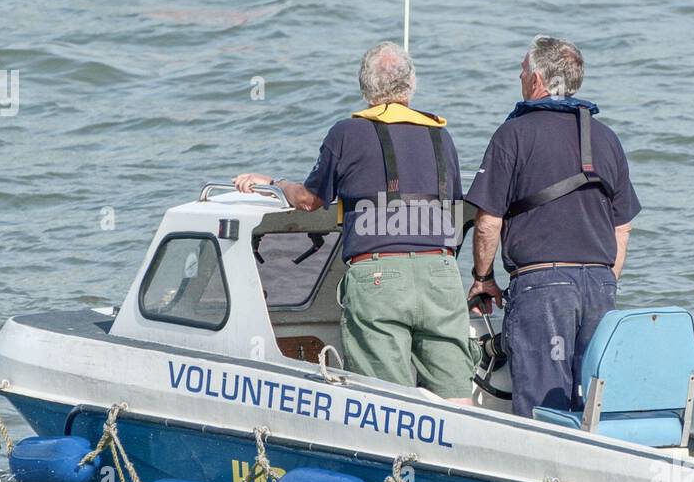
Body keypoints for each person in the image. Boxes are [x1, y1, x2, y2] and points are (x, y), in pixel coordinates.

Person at [234, 41, 474, 404]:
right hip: (441, 272)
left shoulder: (347, 133)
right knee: (457, 396)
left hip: (379, 277)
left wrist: (275, 183)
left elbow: (310, 201)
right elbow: (453, 208)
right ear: (411, 86)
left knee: (385, 400)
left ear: (365, 89)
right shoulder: (442, 135)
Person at [465, 36, 641, 419]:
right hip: (599, 286)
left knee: (542, 408)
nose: (519, 75)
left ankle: (542, 476)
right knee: (594, 400)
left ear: (539, 79)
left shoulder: (512, 135)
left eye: (523, 69)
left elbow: (488, 222)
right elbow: (622, 228)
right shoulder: (607, 139)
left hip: (543, 287)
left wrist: (482, 278)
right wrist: (605, 280)